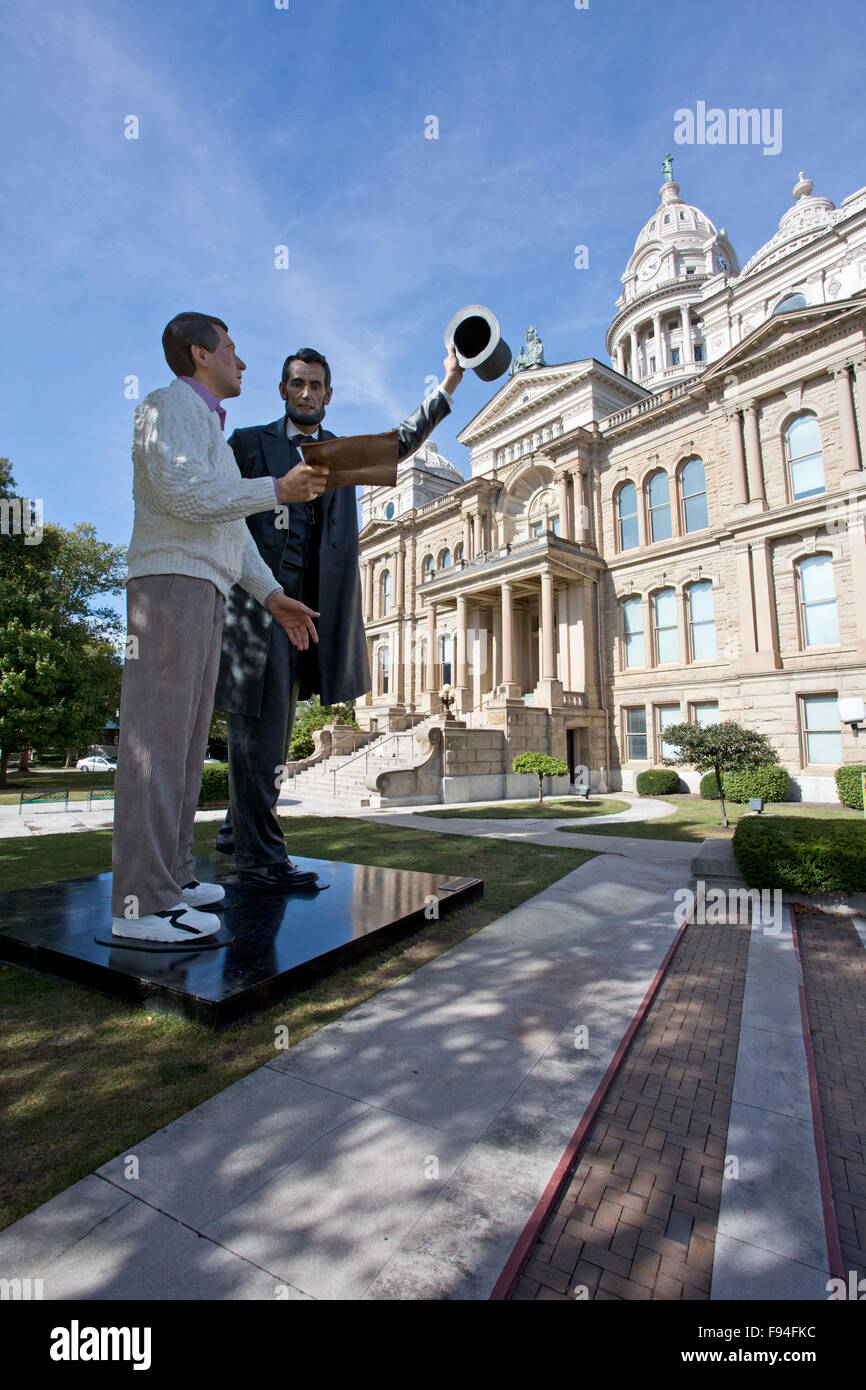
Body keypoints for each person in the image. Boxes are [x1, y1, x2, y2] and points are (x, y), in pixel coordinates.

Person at [110, 312, 330, 942]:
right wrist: (277, 490)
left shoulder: (206, 422)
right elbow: (181, 493)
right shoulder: (166, 405)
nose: (242, 360)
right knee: (155, 741)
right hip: (169, 585)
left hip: (206, 586)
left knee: (180, 743)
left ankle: (174, 877)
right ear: (200, 353)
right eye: (232, 348)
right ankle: (141, 905)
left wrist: (272, 595)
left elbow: (227, 528)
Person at [213, 345, 464, 887]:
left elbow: (399, 443)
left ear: (328, 394)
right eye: (297, 384)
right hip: (260, 610)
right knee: (258, 730)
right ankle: (261, 862)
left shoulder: (340, 455)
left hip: (314, 618)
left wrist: (447, 384)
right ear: (283, 390)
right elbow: (216, 506)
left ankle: (237, 834)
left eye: (316, 385)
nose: (307, 393)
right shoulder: (248, 444)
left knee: (272, 735)